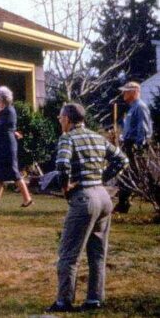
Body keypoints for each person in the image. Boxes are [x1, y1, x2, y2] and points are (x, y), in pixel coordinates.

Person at [47, 102, 129, 313]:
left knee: (69, 253)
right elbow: (122, 159)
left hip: (84, 199)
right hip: (103, 197)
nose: (58, 120)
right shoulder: (97, 137)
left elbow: (62, 164)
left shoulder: (67, 138)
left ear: (67, 119)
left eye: (60, 117)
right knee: (98, 253)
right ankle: (95, 299)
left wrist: (65, 186)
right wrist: (102, 178)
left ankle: (63, 302)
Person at [0, 86, 32, 208]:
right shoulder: (4, 111)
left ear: (1, 98)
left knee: (14, 172)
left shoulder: (9, 111)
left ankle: (27, 198)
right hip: (1, 145)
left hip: (7, 146)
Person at [115, 81, 151, 213]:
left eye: (126, 91)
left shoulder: (140, 107)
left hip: (135, 147)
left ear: (134, 92)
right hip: (129, 144)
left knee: (133, 175)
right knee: (127, 174)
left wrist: (139, 145)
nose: (123, 93)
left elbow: (144, 128)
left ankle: (123, 205)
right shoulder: (132, 108)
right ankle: (123, 204)